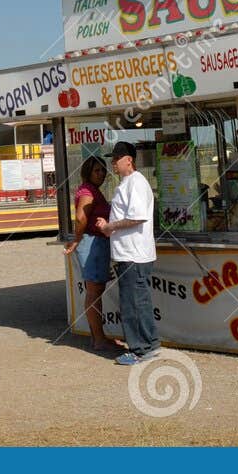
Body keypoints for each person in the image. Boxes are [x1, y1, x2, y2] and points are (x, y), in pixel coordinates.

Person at [95, 144, 159, 365]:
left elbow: (137, 217)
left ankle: (140, 349)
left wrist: (110, 226)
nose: (113, 163)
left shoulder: (136, 182)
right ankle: (149, 345)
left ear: (129, 160)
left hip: (134, 254)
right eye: (112, 159)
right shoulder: (128, 182)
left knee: (133, 304)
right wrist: (110, 226)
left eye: (117, 158)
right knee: (137, 302)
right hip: (129, 253)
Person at [62, 156, 114, 350]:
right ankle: (99, 339)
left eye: (103, 170)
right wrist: (77, 238)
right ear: (88, 172)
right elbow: (80, 217)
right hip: (93, 243)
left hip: (95, 243)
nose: (101, 174)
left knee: (95, 290)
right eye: (96, 170)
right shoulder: (88, 191)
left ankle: (97, 337)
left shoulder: (91, 190)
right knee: (94, 292)